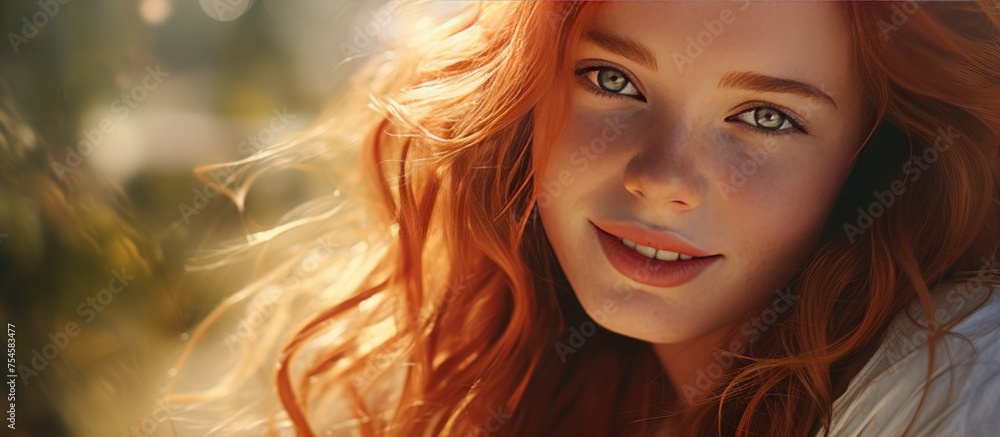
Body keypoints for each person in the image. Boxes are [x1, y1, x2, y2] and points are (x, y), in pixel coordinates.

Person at [164, 1, 1000, 435]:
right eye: (613, 81)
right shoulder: (561, 377)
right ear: (525, 89)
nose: (663, 179)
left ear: (876, 158)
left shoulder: (952, 379)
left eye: (767, 118)